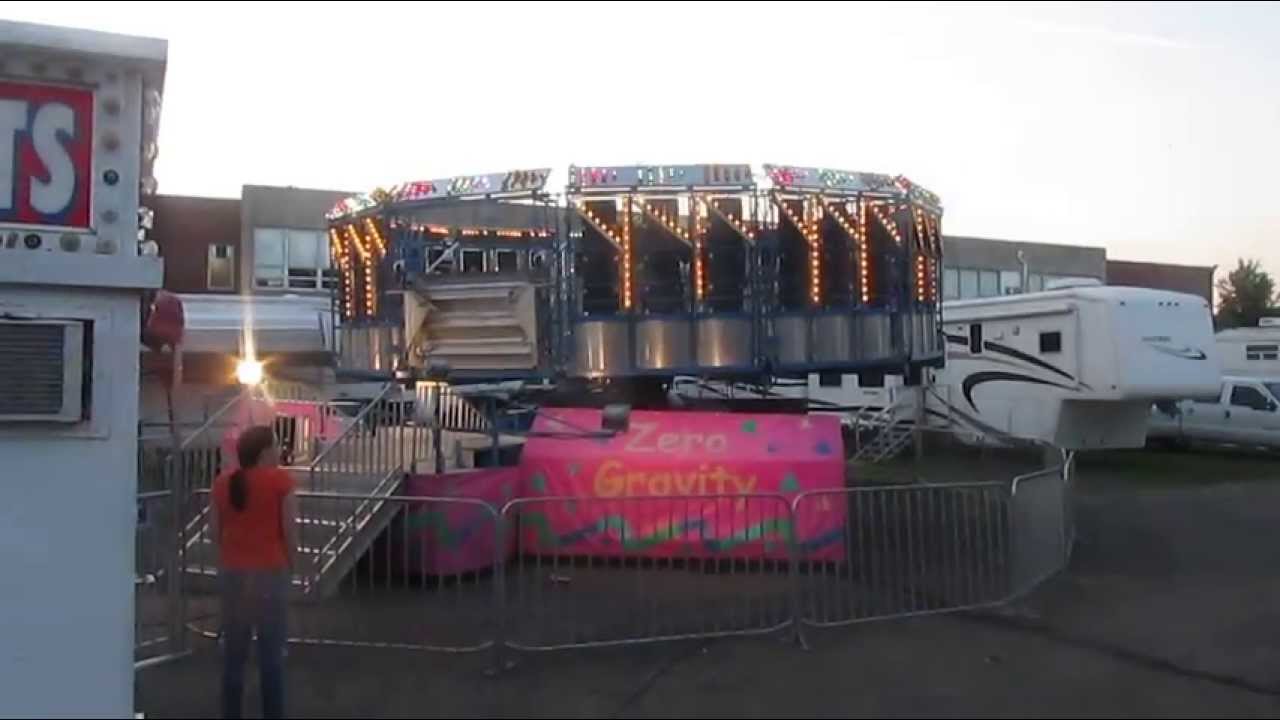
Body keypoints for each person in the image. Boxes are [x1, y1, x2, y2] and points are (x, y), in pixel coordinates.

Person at [209, 425, 300, 720]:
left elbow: (214, 532)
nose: (279, 450)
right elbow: (289, 532)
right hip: (270, 574)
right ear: (263, 453)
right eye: (275, 445)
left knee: (233, 656)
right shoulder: (281, 482)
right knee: (271, 656)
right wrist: (294, 566)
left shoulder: (222, 483)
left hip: (233, 574)